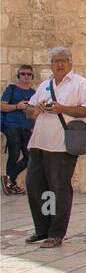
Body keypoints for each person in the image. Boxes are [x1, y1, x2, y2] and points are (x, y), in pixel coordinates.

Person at [23, 47, 86, 249]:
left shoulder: (80, 83)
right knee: (36, 188)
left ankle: (56, 234)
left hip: (62, 146)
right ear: (51, 64)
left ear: (70, 62)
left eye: (64, 60)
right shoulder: (45, 85)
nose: (60, 64)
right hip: (39, 143)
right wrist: (34, 110)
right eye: (56, 61)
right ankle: (42, 229)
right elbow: (29, 111)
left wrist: (62, 109)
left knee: (59, 190)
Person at [1, 64, 37, 195]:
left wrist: (34, 126)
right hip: (12, 126)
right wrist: (17, 106)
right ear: (18, 75)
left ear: (32, 76)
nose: (26, 76)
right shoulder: (11, 89)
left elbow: (35, 112)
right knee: (14, 155)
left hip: (27, 128)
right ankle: (11, 185)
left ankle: (9, 179)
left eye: (29, 74)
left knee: (30, 157)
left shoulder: (34, 93)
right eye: (23, 74)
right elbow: (2, 106)